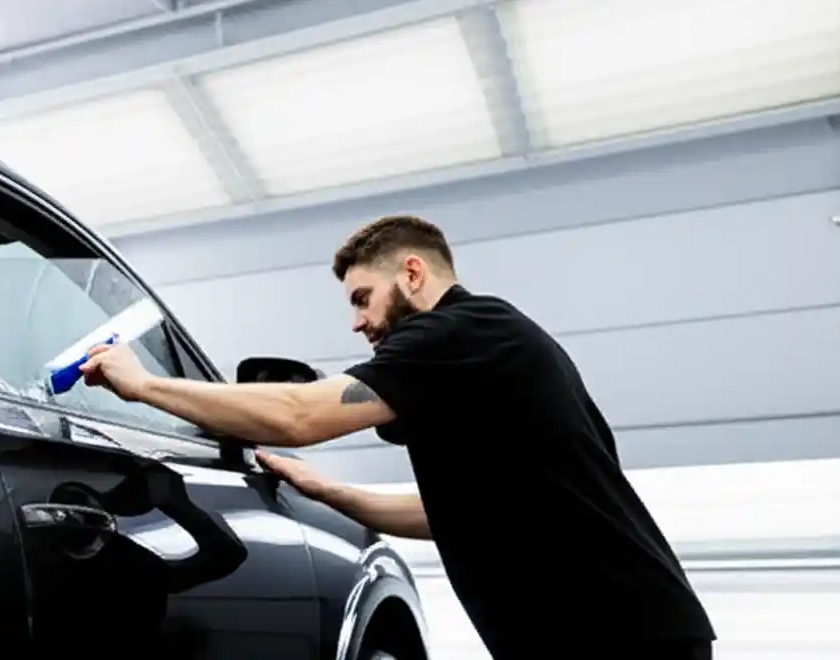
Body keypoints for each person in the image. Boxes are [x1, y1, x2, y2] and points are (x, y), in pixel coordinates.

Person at [79, 215, 715, 660]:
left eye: (362, 298)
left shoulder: (460, 333)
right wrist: (328, 492)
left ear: (412, 273)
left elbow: (303, 414)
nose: (357, 322)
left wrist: (142, 385)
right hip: (627, 629)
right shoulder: (488, 352)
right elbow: (451, 515)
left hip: (615, 636)